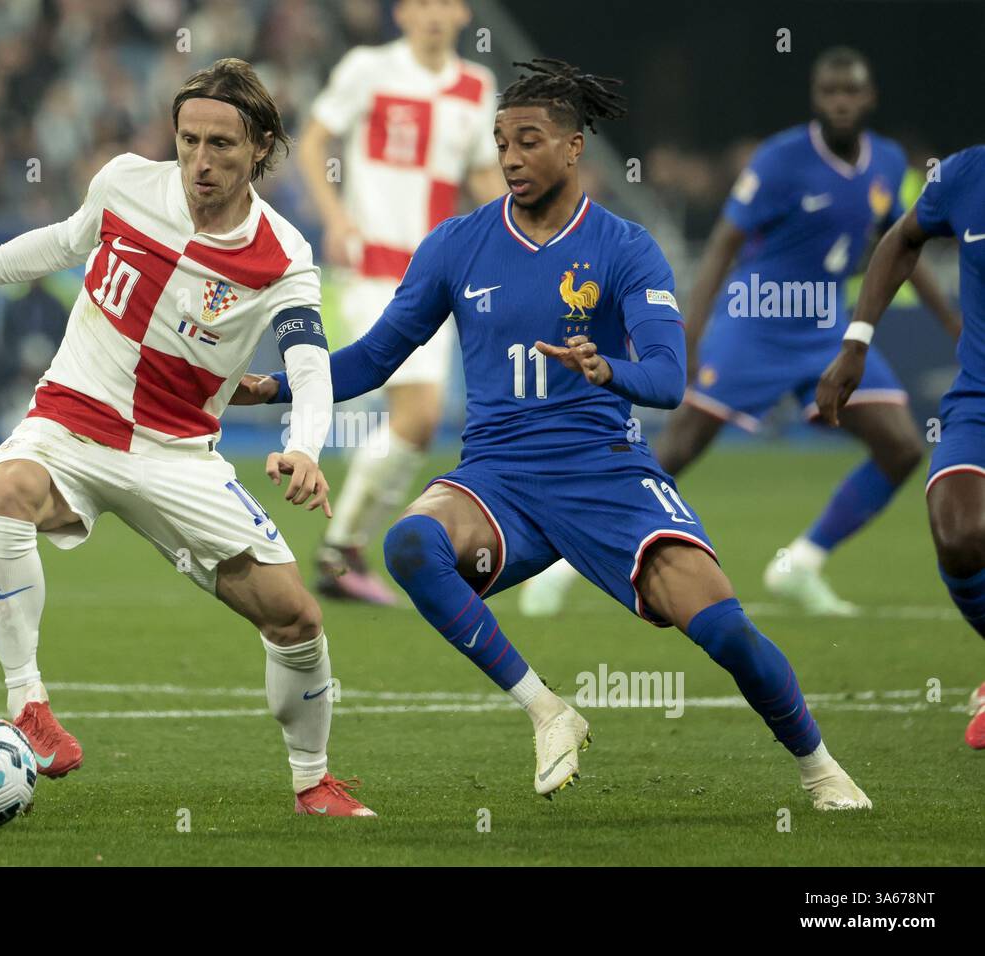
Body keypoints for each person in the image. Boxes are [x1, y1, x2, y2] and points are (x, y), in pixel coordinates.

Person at [236, 59, 870, 810]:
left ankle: (820, 768)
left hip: (603, 473)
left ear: (574, 149)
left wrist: (609, 370)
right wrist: (280, 384)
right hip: (498, 480)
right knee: (410, 545)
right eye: (501, 141)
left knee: (726, 632)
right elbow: (377, 355)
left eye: (528, 141)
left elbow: (669, 379)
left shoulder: (624, 247)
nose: (509, 157)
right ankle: (548, 710)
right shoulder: (455, 244)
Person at [0, 58, 374, 817]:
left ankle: (312, 780)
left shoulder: (283, 256)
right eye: (188, 140)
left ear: (261, 147)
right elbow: (59, 243)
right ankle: (30, 707)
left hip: (177, 455)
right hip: (72, 422)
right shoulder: (123, 184)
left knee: (296, 616)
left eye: (222, 144)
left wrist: (305, 445)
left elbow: (310, 367)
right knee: (6, 486)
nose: (201, 161)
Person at [520, 47, 960, 618]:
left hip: (826, 330)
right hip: (754, 325)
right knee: (676, 451)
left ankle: (800, 563)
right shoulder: (781, 160)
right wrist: (690, 332)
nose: (842, 103)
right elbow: (725, 242)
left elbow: (899, 245)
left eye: (852, 92)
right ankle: (562, 562)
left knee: (901, 448)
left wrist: (952, 320)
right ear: (816, 98)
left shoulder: (887, 163)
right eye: (831, 93)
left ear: (869, 98)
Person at [297, 0, 506, 604]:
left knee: (419, 422)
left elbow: (485, 176)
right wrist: (334, 216)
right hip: (371, 263)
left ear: (464, 15)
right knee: (418, 411)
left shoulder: (477, 86)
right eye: (422, 3)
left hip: (434, 271)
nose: (435, 14)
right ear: (404, 13)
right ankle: (341, 550)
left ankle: (346, 551)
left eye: (446, 3)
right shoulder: (368, 67)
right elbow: (313, 142)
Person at [817, 144, 985, 749]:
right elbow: (899, 239)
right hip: (979, 401)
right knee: (960, 533)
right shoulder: (967, 175)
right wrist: (856, 342)